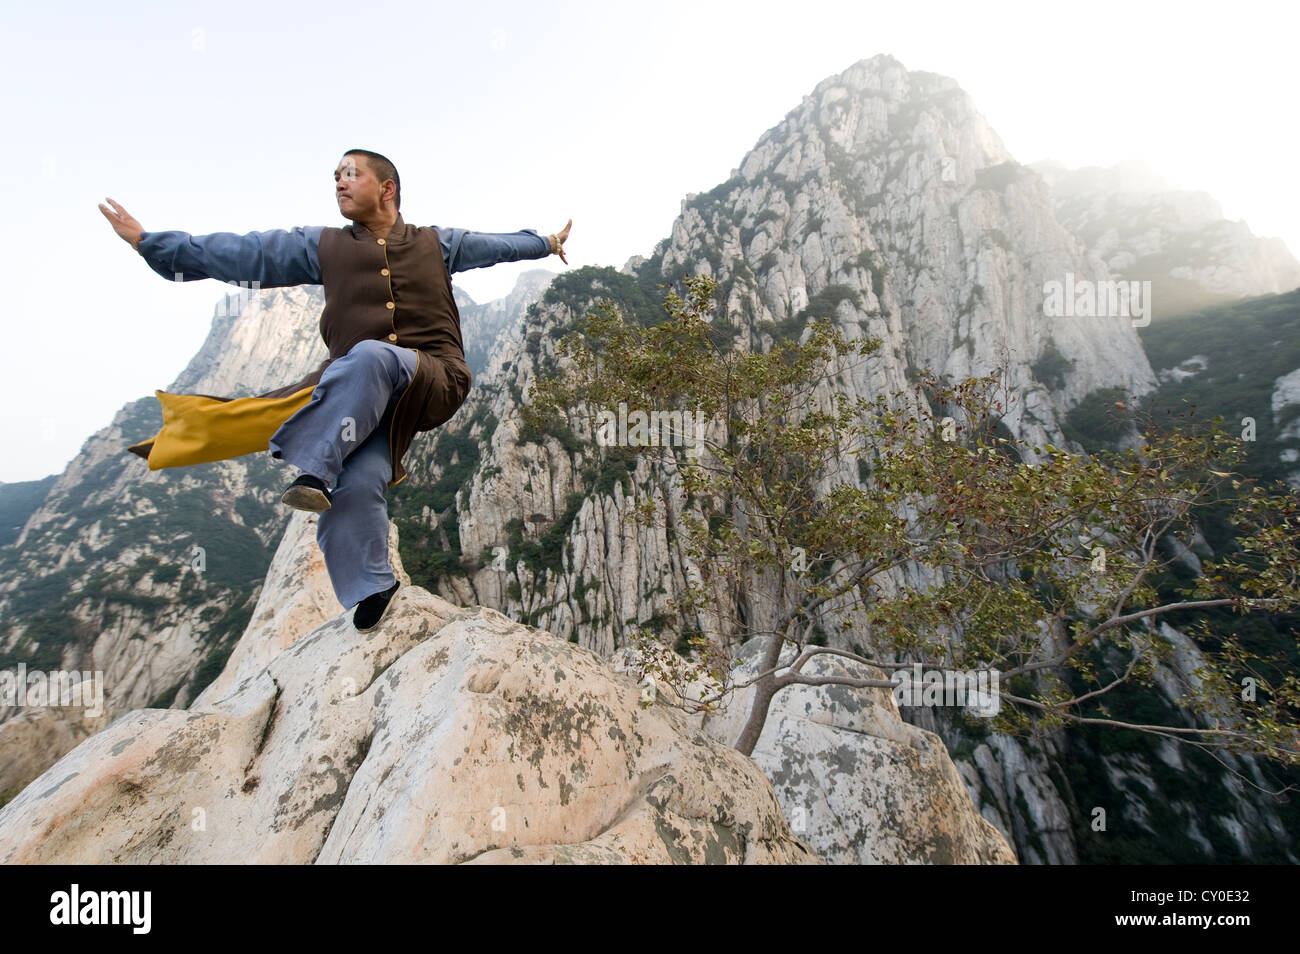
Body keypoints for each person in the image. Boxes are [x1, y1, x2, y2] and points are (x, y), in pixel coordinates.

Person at [99, 149, 571, 631]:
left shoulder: (437, 243)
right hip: (363, 402)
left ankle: (314, 469)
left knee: (369, 356)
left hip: (434, 379)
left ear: (387, 188)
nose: (339, 184)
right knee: (358, 481)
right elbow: (246, 252)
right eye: (336, 177)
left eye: (351, 174)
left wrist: (546, 242)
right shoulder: (321, 245)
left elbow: (497, 245)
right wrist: (151, 244)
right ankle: (372, 588)